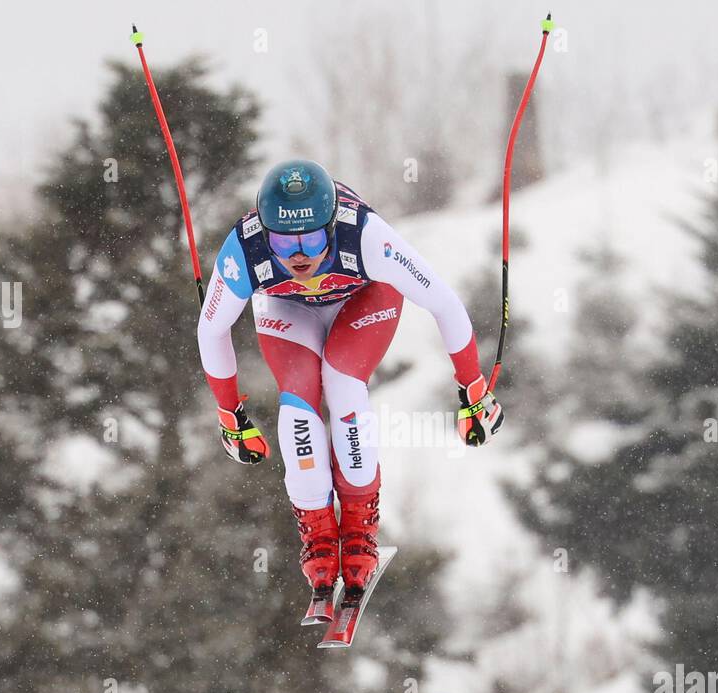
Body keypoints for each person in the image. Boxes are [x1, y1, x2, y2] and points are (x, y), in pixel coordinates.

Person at [197, 159, 503, 595]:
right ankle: (318, 538)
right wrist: (231, 416)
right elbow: (212, 328)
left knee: (341, 382)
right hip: (287, 309)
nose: (299, 255)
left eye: (312, 239)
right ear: (266, 234)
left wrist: (473, 392)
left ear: (332, 227)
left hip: (362, 301)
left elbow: (445, 303)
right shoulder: (244, 250)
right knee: (299, 399)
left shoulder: (366, 235)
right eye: (284, 244)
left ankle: (359, 529)